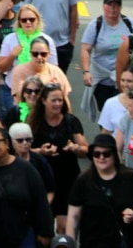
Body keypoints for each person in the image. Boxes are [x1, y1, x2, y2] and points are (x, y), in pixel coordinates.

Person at [0, 127, 55, 248]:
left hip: (23, 235)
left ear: (7, 143)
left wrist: (46, 232)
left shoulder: (26, 169)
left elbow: (40, 202)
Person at [64, 133, 133, 248]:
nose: (101, 157)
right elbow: (73, 216)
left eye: (106, 154)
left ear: (114, 155)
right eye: (96, 154)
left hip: (126, 241)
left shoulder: (130, 177)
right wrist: (70, 244)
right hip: (93, 243)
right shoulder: (83, 181)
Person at [27, 83, 90, 231]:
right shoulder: (34, 121)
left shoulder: (70, 121)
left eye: (60, 100)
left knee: (64, 228)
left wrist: (75, 148)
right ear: (43, 101)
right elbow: (22, 150)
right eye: (53, 100)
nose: (57, 104)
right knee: (43, 228)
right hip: (42, 178)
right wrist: (40, 151)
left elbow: (85, 149)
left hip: (67, 179)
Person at [79, 0, 133, 117]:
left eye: (116, 5)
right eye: (109, 5)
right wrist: (86, 72)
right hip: (102, 79)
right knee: (106, 113)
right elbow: (85, 49)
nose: (113, 9)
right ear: (104, 6)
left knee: (124, 112)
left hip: (123, 79)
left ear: (120, 8)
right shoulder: (96, 25)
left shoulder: (129, 23)